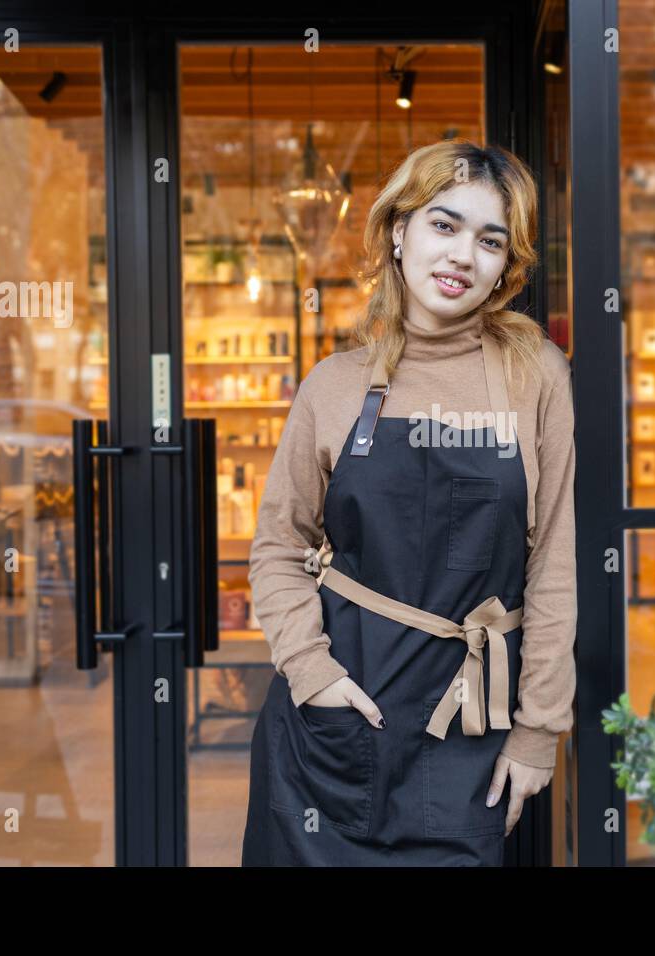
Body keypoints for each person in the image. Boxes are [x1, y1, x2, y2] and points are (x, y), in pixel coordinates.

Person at [240, 140, 577, 866]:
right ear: (400, 233)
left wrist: (538, 729)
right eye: (444, 226)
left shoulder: (535, 374)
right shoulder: (334, 386)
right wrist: (313, 673)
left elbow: (553, 560)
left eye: (489, 240)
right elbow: (276, 548)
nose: (463, 255)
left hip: (474, 733)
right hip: (333, 729)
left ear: (505, 266)